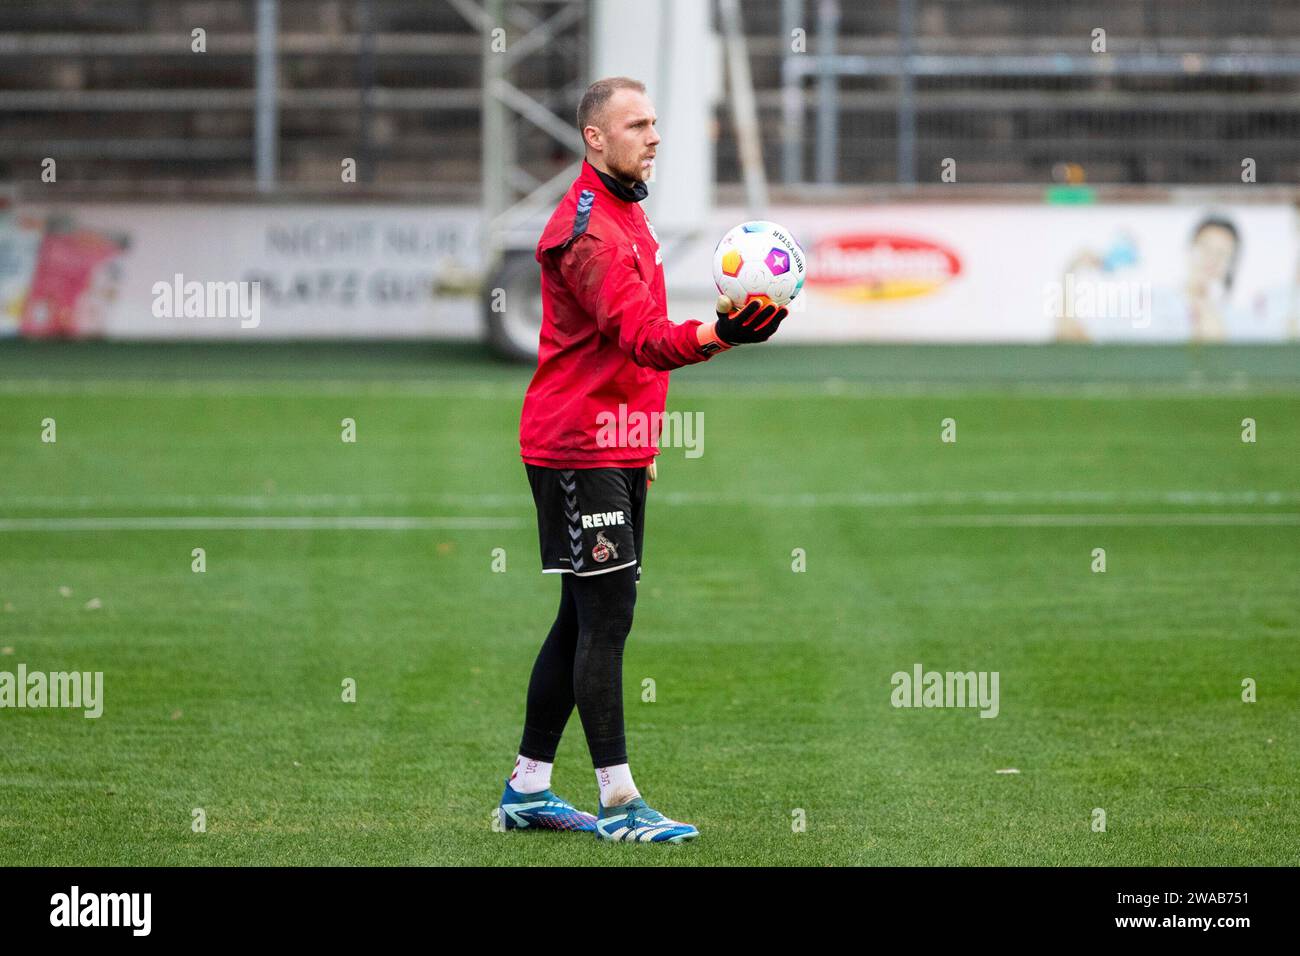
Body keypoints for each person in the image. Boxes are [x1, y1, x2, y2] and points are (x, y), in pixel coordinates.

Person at [496, 76, 787, 843]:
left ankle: (527, 787)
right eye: (637, 124)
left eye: (656, 121)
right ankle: (620, 803)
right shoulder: (591, 231)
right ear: (595, 138)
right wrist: (723, 334)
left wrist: (642, 440)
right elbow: (640, 337)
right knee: (608, 615)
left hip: (613, 443)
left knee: (583, 613)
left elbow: (626, 359)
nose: (654, 135)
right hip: (576, 447)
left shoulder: (627, 211)